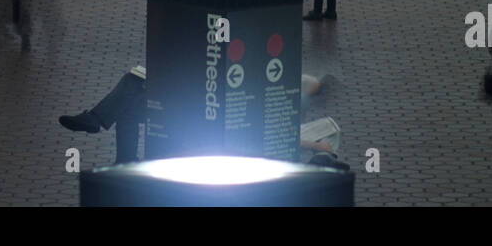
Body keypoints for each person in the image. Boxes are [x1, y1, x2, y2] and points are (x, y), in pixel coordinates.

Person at [59, 69, 335, 164]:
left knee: (133, 89)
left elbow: (282, 136)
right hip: (201, 102)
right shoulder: (287, 90)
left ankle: (97, 121)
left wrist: (316, 146)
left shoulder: (288, 103)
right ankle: (104, 130)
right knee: (131, 96)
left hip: (204, 115)